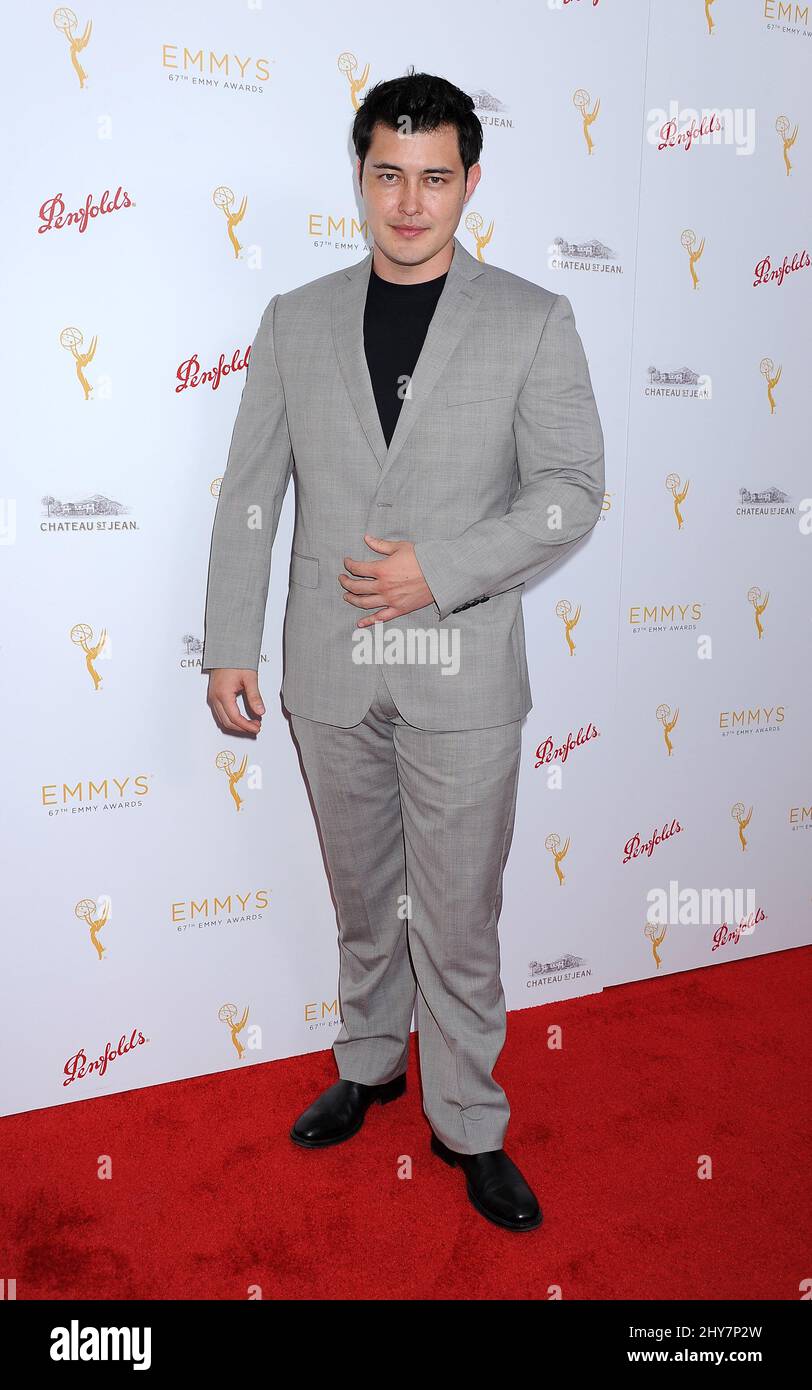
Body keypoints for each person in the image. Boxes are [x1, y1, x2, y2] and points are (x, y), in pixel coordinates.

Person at [202, 69, 605, 1232]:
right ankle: (371, 1061)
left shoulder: (531, 320)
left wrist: (439, 566)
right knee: (361, 896)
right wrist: (230, 638)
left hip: (464, 667)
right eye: (389, 175)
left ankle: (468, 1119)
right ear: (362, 179)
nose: (410, 202)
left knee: (460, 913)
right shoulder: (294, 320)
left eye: (434, 178)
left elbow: (570, 494)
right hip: (328, 666)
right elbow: (247, 497)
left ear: (468, 182)